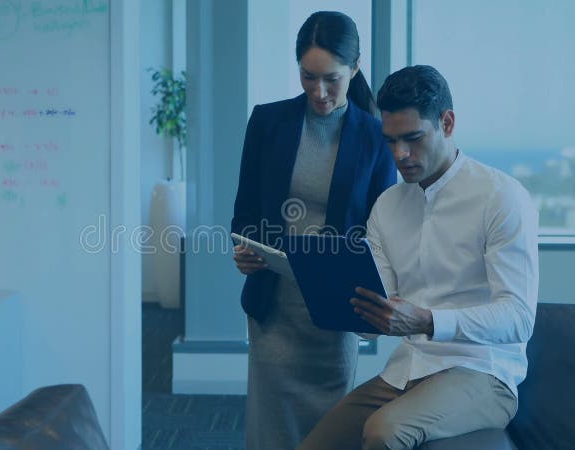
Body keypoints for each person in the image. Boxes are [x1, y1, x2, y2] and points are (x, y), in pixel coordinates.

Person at [298, 65, 539, 450]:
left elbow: (518, 318)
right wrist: (348, 306)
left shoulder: (502, 197)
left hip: (482, 372)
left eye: (412, 138)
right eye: (390, 141)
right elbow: (376, 320)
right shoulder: (388, 205)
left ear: (447, 123)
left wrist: (428, 320)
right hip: (407, 368)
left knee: (384, 431)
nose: (400, 155)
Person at [231, 11, 397, 450]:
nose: (319, 92)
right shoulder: (268, 123)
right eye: (308, 77)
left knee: (330, 431)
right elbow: (245, 213)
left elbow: (381, 232)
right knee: (271, 429)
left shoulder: (376, 137)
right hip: (274, 307)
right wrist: (244, 249)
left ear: (355, 68)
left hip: (333, 310)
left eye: (332, 79)